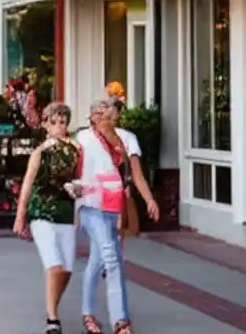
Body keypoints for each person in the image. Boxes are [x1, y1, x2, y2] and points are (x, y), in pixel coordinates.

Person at [75, 97, 160, 334]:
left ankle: (88, 313)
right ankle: (120, 322)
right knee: (111, 258)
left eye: (109, 110)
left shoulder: (127, 138)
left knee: (99, 260)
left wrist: (149, 199)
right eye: (99, 111)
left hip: (115, 205)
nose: (105, 114)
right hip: (91, 205)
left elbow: (136, 173)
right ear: (92, 116)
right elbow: (70, 169)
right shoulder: (82, 138)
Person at [14, 103, 82, 334]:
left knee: (67, 269)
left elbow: (81, 177)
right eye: (54, 122)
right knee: (54, 266)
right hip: (41, 210)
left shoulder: (75, 149)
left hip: (65, 211)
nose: (59, 127)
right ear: (45, 124)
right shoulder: (41, 151)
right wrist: (20, 215)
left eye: (63, 122)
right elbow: (28, 183)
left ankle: (53, 306)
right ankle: (52, 319)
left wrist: (78, 189)